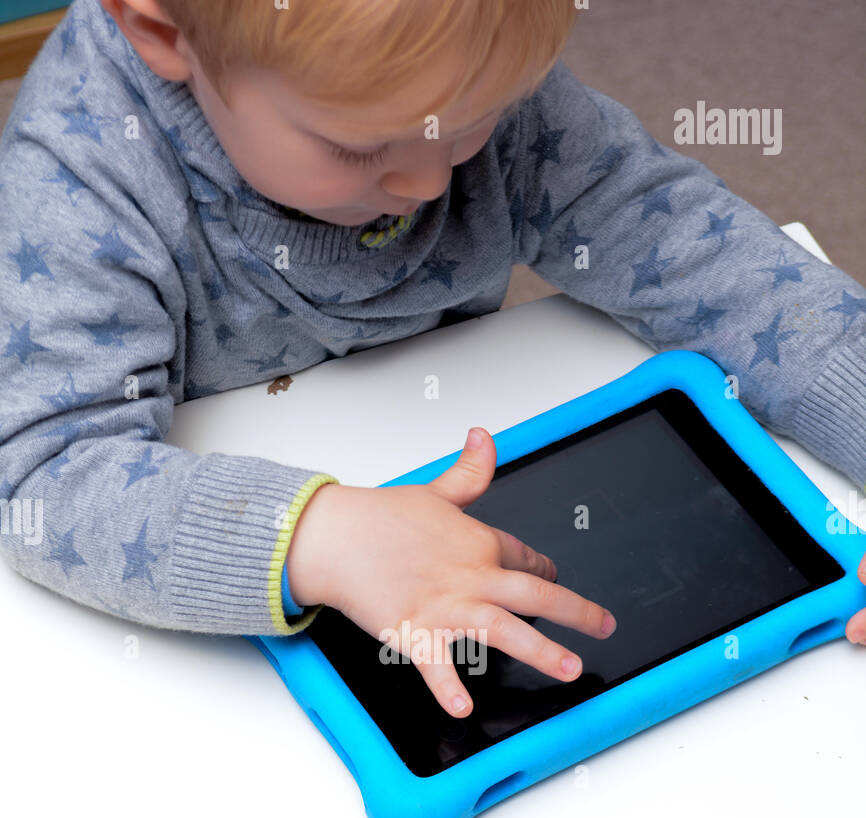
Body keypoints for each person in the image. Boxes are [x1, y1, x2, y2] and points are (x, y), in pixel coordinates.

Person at [1, 0, 863, 719]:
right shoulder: (74, 185)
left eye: (474, 124)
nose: (429, 183)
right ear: (161, 33)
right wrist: (311, 534)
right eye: (362, 147)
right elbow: (42, 471)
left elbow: (696, 253)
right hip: (216, 604)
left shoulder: (455, 66)